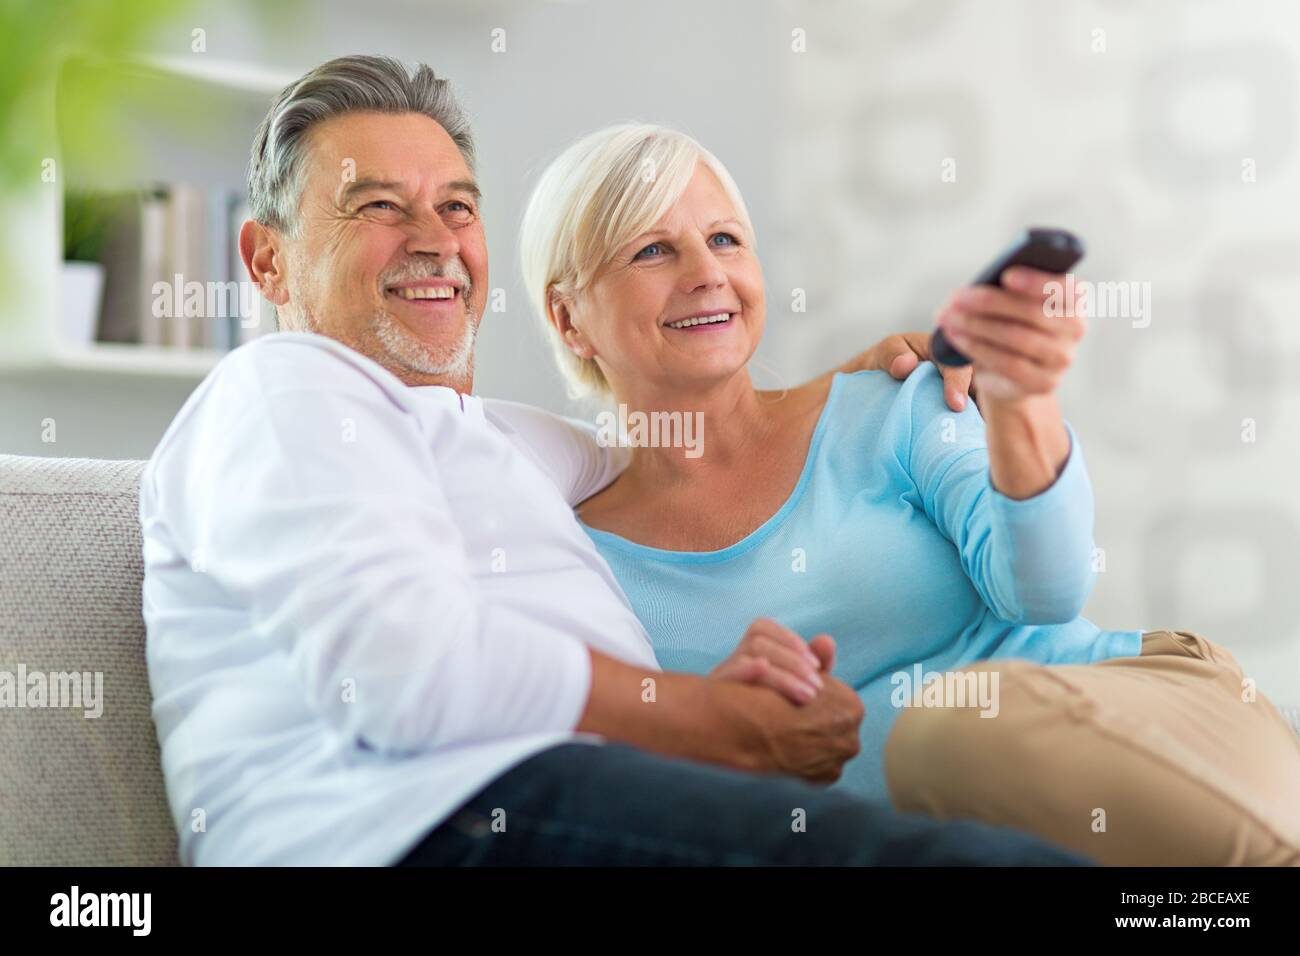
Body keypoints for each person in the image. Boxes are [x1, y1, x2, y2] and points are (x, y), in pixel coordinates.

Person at [140, 54, 1081, 866]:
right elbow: (403, 674)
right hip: (409, 831)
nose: (433, 239)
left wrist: (854, 392)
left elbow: (695, 430)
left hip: (583, 801)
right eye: (377, 206)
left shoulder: (512, 443)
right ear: (265, 261)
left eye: (456, 206)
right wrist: (707, 720)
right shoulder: (282, 390)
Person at [517, 121, 1300, 866]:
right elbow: (629, 782)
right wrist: (717, 732)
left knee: (945, 733)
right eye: (653, 250)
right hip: (982, 851)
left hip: (1163, 724)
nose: (706, 273)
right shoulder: (577, 563)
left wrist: (1022, 402)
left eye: (724, 239)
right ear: (568, 318)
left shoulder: (887, 404)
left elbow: (1048, 591)